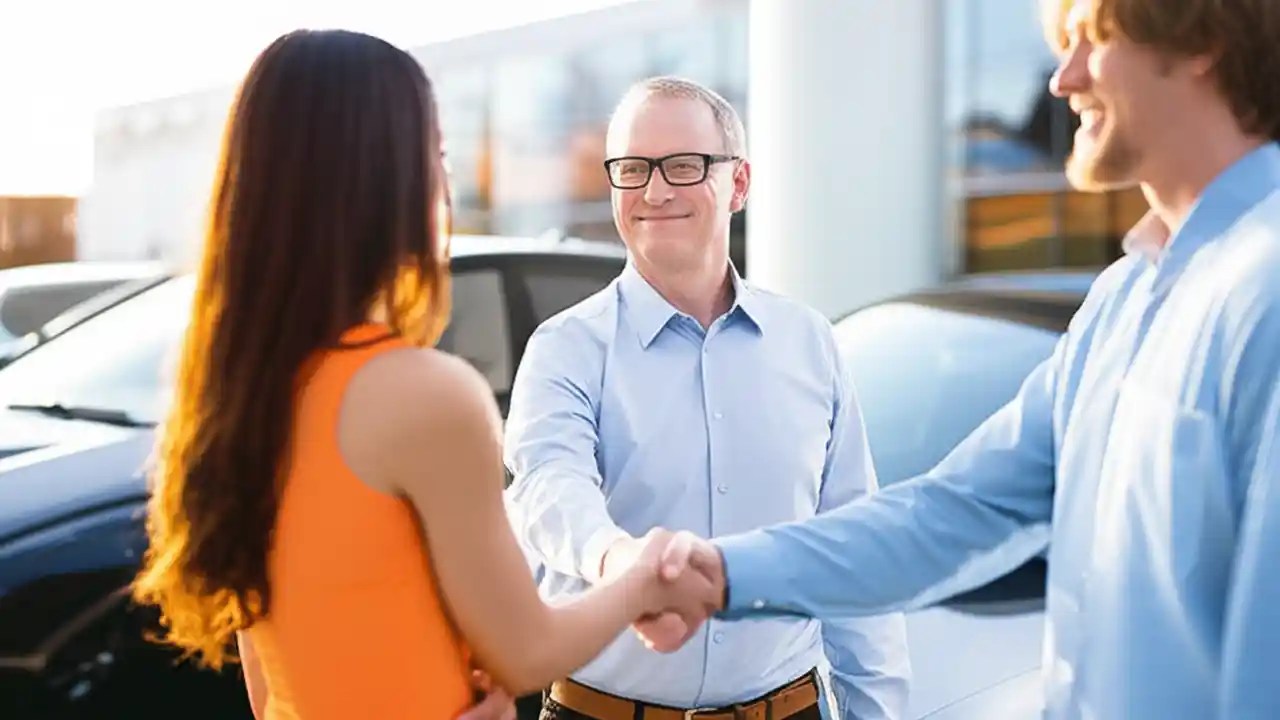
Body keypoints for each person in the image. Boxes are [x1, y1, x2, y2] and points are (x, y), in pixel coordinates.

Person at [644, 1, 1280, 718]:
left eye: (1090, 43)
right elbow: (952, 513)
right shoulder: (1125, 297)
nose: (1062, 80)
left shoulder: (1266, 294)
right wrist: (720, 573)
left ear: (1201, 41)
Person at [129, 30, 719, 720]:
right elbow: (525, 653)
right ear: (387, 177)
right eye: (435, 152)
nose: (445, 176)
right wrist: (645, 575)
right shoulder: (422, 395)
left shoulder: (238, 393)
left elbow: (268, 691)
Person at [501, 76, 910, 720]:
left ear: (738, 184)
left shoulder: (809, 342)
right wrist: (623, 564)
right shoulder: (565, 347)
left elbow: (853, 549)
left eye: (684, 166)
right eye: (632, 169)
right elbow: (550, 490)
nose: (654, 191)